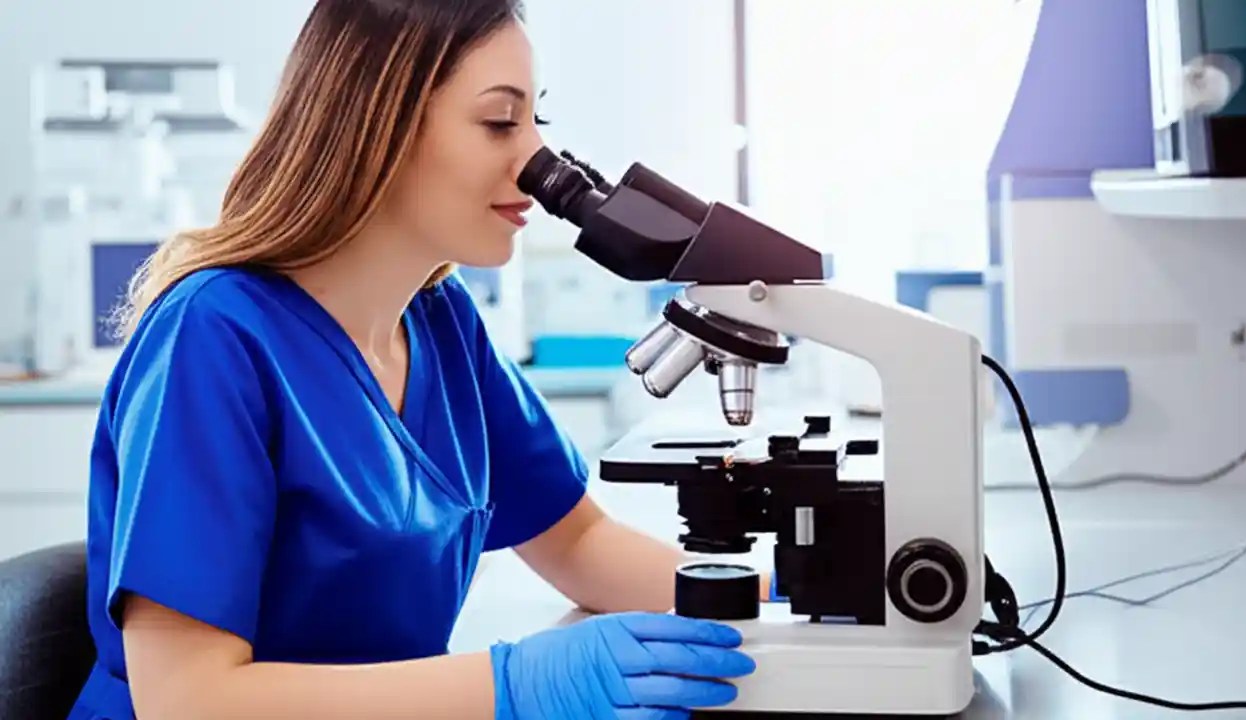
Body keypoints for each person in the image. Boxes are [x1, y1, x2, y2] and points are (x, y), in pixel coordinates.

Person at [65, 1, 769, 718]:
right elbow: (187, 699)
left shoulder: (442, 324)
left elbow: (580, 542)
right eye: (500, 122)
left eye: (538, 125)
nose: (537, 164)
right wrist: (512, 686)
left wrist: (787, 595)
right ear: (378, 126)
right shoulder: (213, 337)